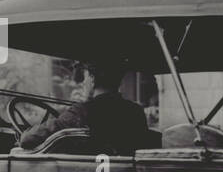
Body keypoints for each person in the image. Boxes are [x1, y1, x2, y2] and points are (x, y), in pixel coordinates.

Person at [19, 62, 151, 154]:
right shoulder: (135, 111)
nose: (83, 82)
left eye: (85, 77)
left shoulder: (82, 112)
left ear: (92, 79)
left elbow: (27, 139)